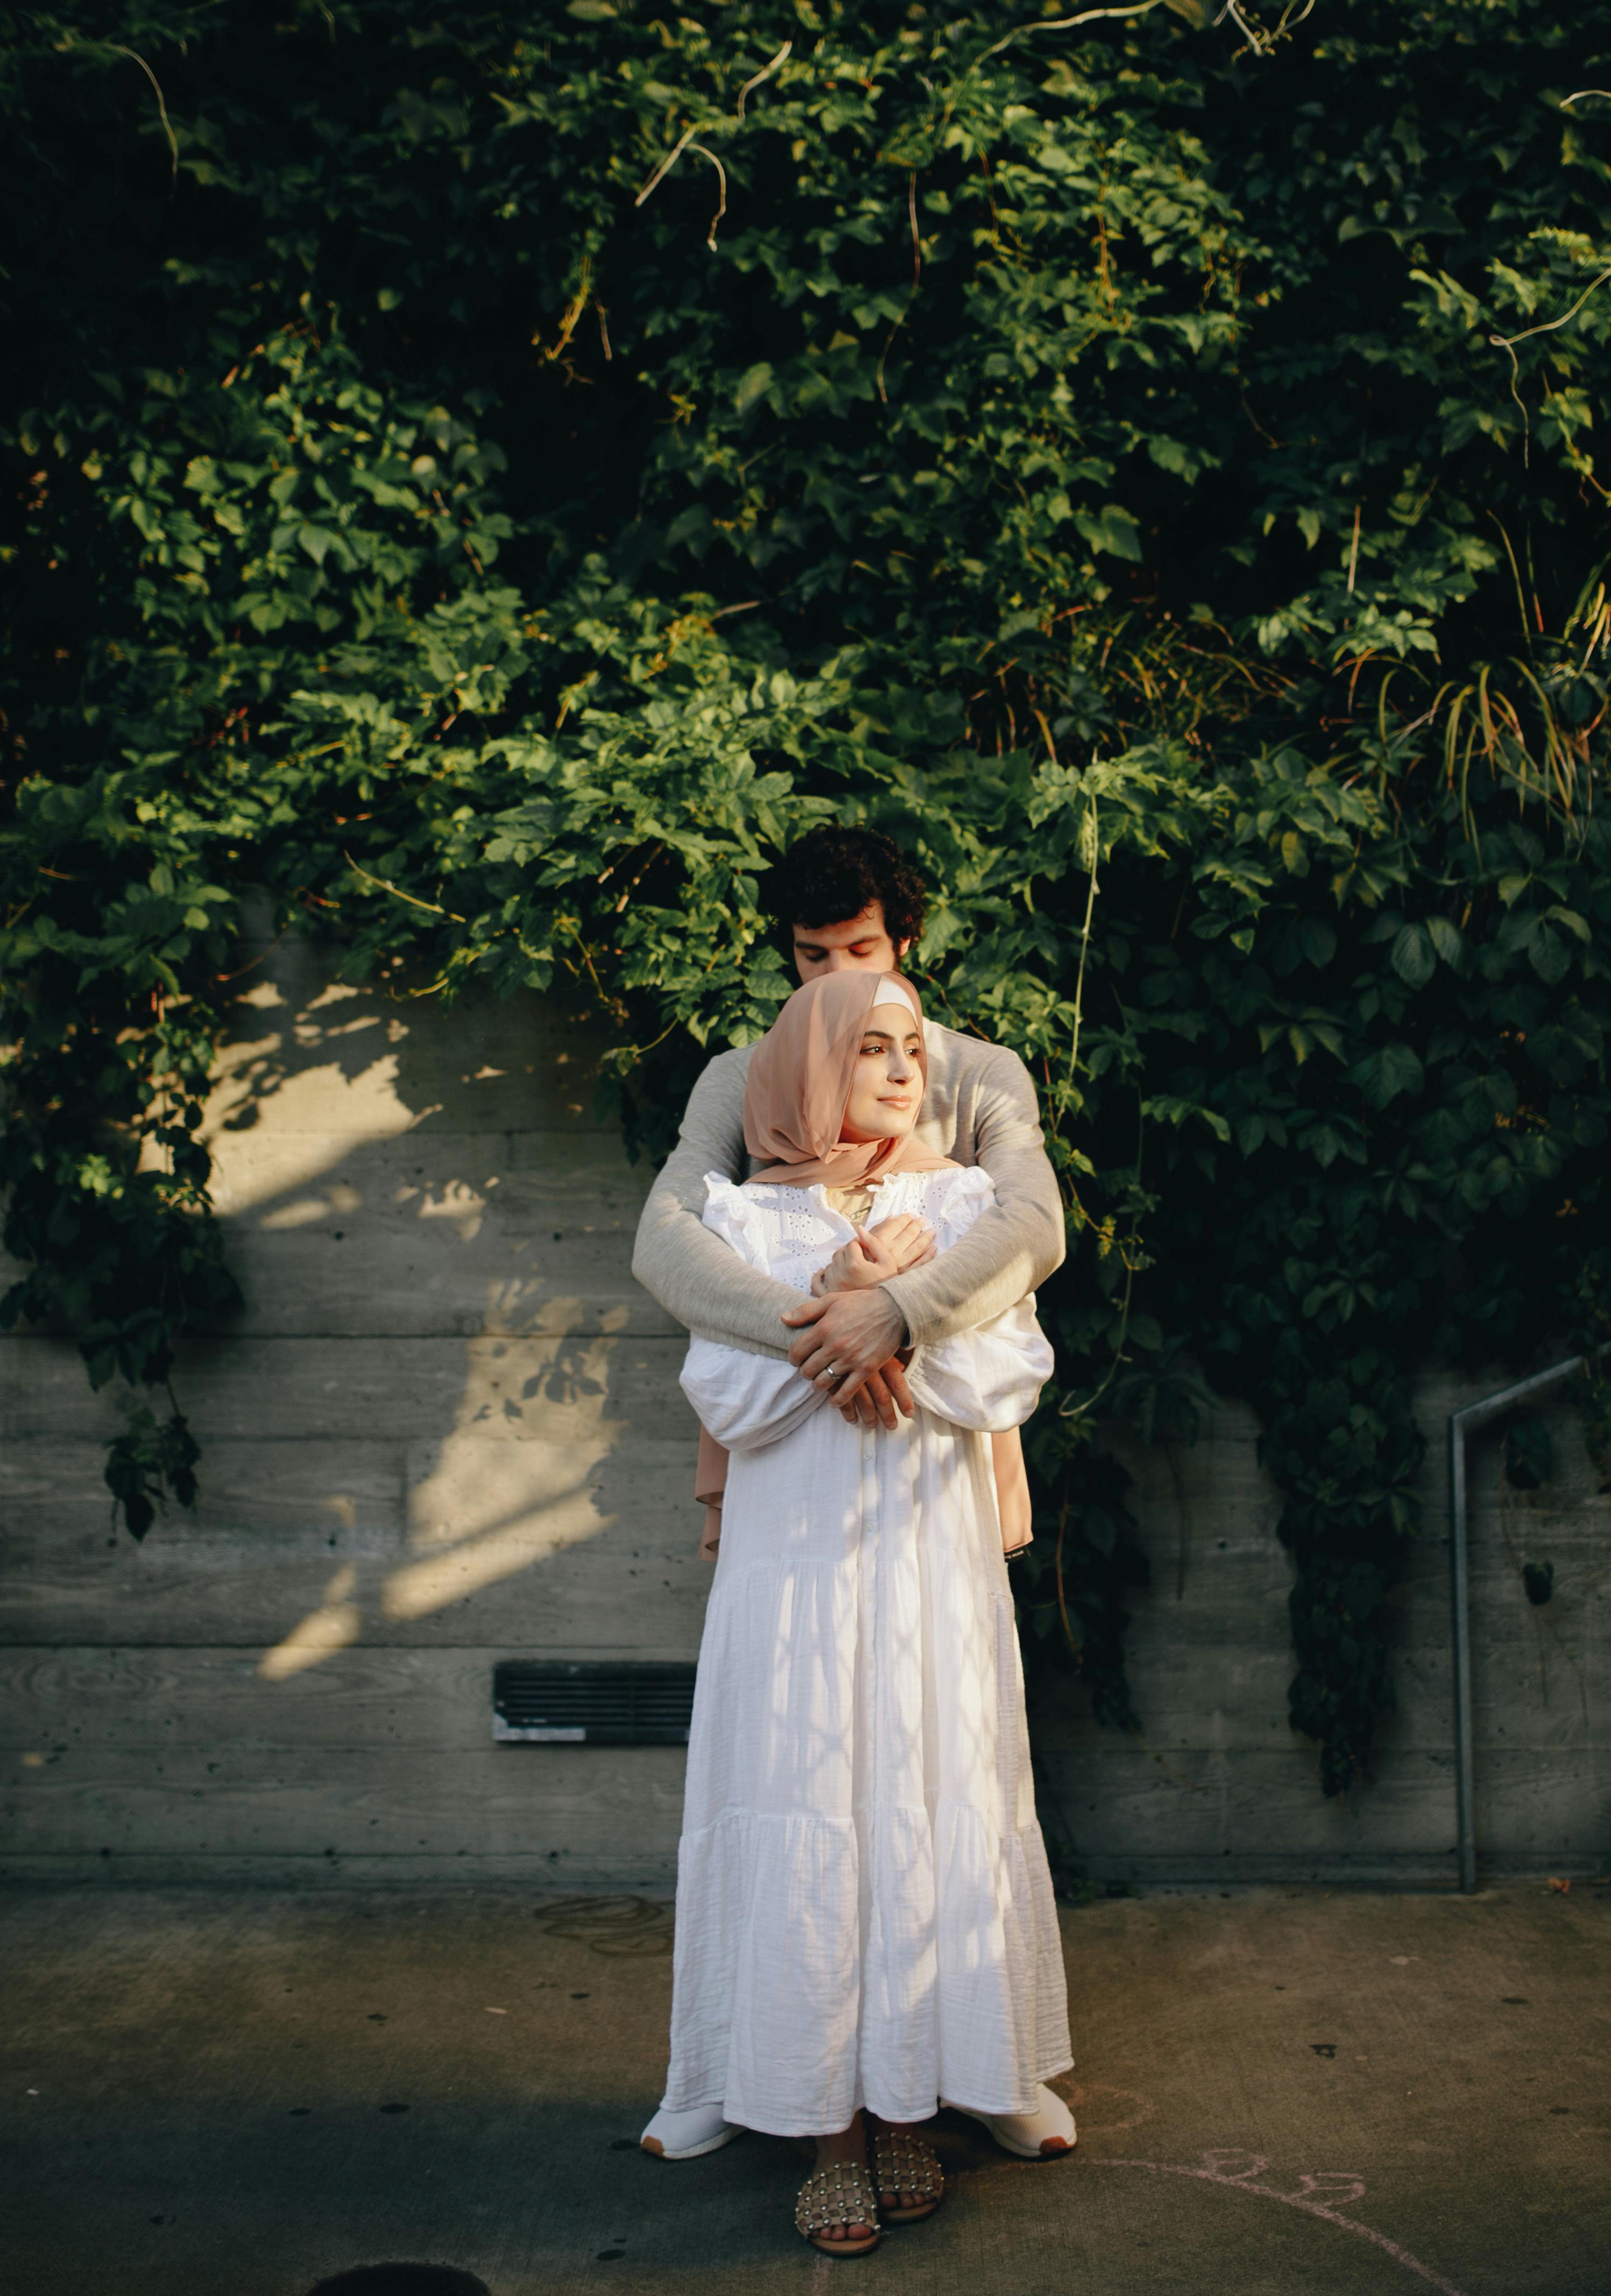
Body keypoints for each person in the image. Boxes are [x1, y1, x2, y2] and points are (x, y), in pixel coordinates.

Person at [639, 968, 1074, 2256]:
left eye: (911, 1049)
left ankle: (907, 2113)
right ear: (809, 1064)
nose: (901, 1071)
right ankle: (826, 2134)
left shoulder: (961, 1203)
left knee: (927, 1808)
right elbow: (729, 1397)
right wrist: (838, 1296)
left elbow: (1009, 1369)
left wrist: (899, 1329)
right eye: (871, 1049)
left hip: (930, 1576)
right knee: (811, 1811)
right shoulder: (741, 1218)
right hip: (796, 1585)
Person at [632, 828, 1067, 1553]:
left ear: (905, 941)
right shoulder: (740, 1077)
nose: (834, 973)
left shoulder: (979, 1073)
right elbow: (664, 1237)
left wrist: (896, 1313)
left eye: (861, 949)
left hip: (940, 1421)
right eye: (814, 954)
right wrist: (825, 1337)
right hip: (791, 1420)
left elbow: (1033, 1224)